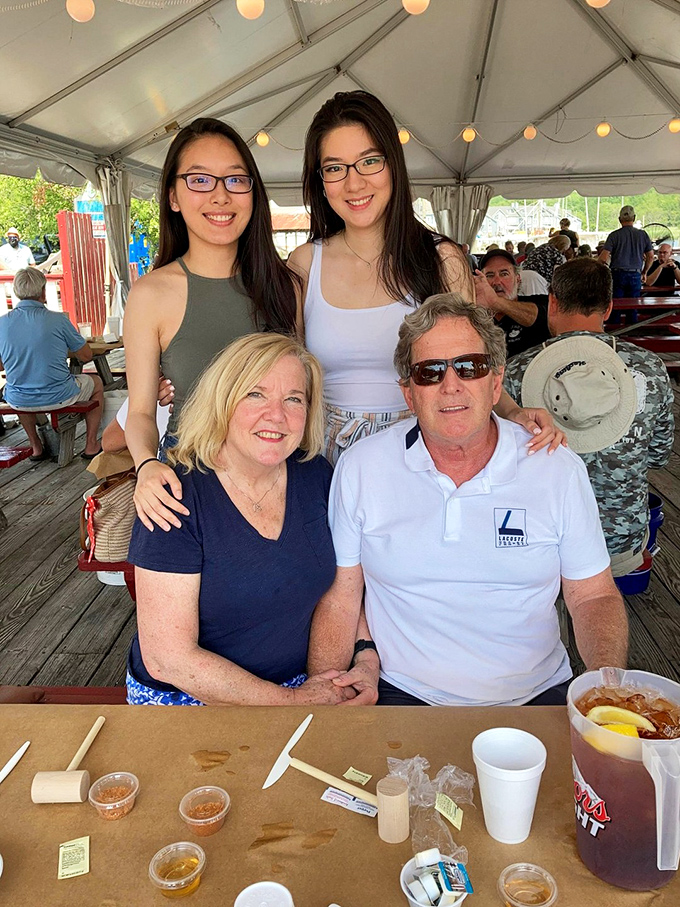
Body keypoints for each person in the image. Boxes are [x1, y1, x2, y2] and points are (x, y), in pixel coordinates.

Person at [308, 294, 627, 707]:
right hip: (401, 693)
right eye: (430, 371)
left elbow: (592, 595)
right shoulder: (362, 468)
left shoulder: (555, 469)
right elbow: (342, 597)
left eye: (470, 367)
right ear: (409, 393)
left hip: (535, 695)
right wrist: (323, 700)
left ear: (495, 383)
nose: (451, 384)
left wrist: (606, 686)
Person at [289, 91, 559, 465]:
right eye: (335, 168)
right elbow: (290, 377)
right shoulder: (304, 263)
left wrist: (513, 413)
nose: (354, 184)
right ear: (320, 180)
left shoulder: (441, 259)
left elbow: (471, 366)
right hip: (323, 458)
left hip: (424, 452)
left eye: (369, 161)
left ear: (393, 165)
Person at [127, 332, 352, 706]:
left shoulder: (316, 476)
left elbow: (342, 590)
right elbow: (169, 659)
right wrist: (292, 704)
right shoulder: (175, 495)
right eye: (255, 394)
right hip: (189, 697)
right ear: (223, 401)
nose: (276, 415)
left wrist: (345, 667)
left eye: (293, 399)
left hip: (299, 685)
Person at [123, 117, 299, 532]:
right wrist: (146, 465)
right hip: (189, 489)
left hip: (279, 483)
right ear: (173, 196)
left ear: (253, 193)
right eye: (200, 180)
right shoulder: (151, 294)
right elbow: (142, 411)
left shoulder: (286, 284)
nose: (221, 196)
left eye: (236, 180)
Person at [504, 258, 674, 576]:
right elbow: (659, 455)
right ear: (608, 308)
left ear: (552, 301)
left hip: (543, 541)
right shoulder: (650, 369)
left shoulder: (516, 372)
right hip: (622, 542)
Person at [0, 267, 103, 460]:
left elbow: (1, 365)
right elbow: (87, 355)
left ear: (16, 292)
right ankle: (91, 444)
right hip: (59, 394)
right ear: (42, 292)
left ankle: (36, 446)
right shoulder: (58, 320)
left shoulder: (2, 323)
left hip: (19, 399)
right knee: (96, 382)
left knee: (18, 389)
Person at [475, 249, 550, 356]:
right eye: (489, 275)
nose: (496, 281)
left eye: (504, 274)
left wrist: (495, 302)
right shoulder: (475, 314)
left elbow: (536, 317)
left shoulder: (539, 302)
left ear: (518, 279)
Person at [598, 205, 653, 298]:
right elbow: (650, 256)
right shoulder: (643, 235)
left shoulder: (613, 236)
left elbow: (603, 258)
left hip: (617, 275)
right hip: (636, 274)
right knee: (633, 306)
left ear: (619, 219)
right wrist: (644, 272)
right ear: (634, 218)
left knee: (616, 306)